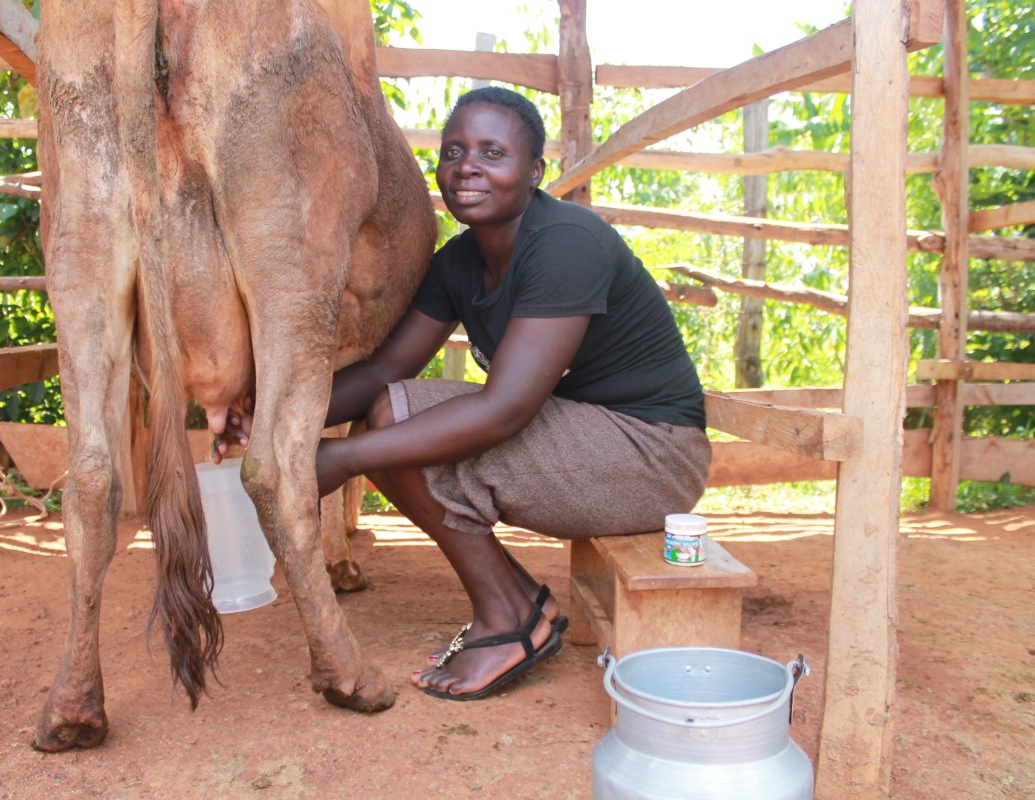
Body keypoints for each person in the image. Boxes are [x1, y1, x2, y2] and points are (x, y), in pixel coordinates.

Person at [220, 86, 710, 701]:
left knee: (386, 427)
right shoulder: (460, 261)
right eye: (453, 152)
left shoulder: (567, 244)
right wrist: (270, 416)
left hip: (651, 457)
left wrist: (340, 458)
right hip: (582, 432)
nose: (467, 167)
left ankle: (509, 617)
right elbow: (383, 371)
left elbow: (505, 409)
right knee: (387, 412)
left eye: (492, 152)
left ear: (534, 171)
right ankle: (517, 602)